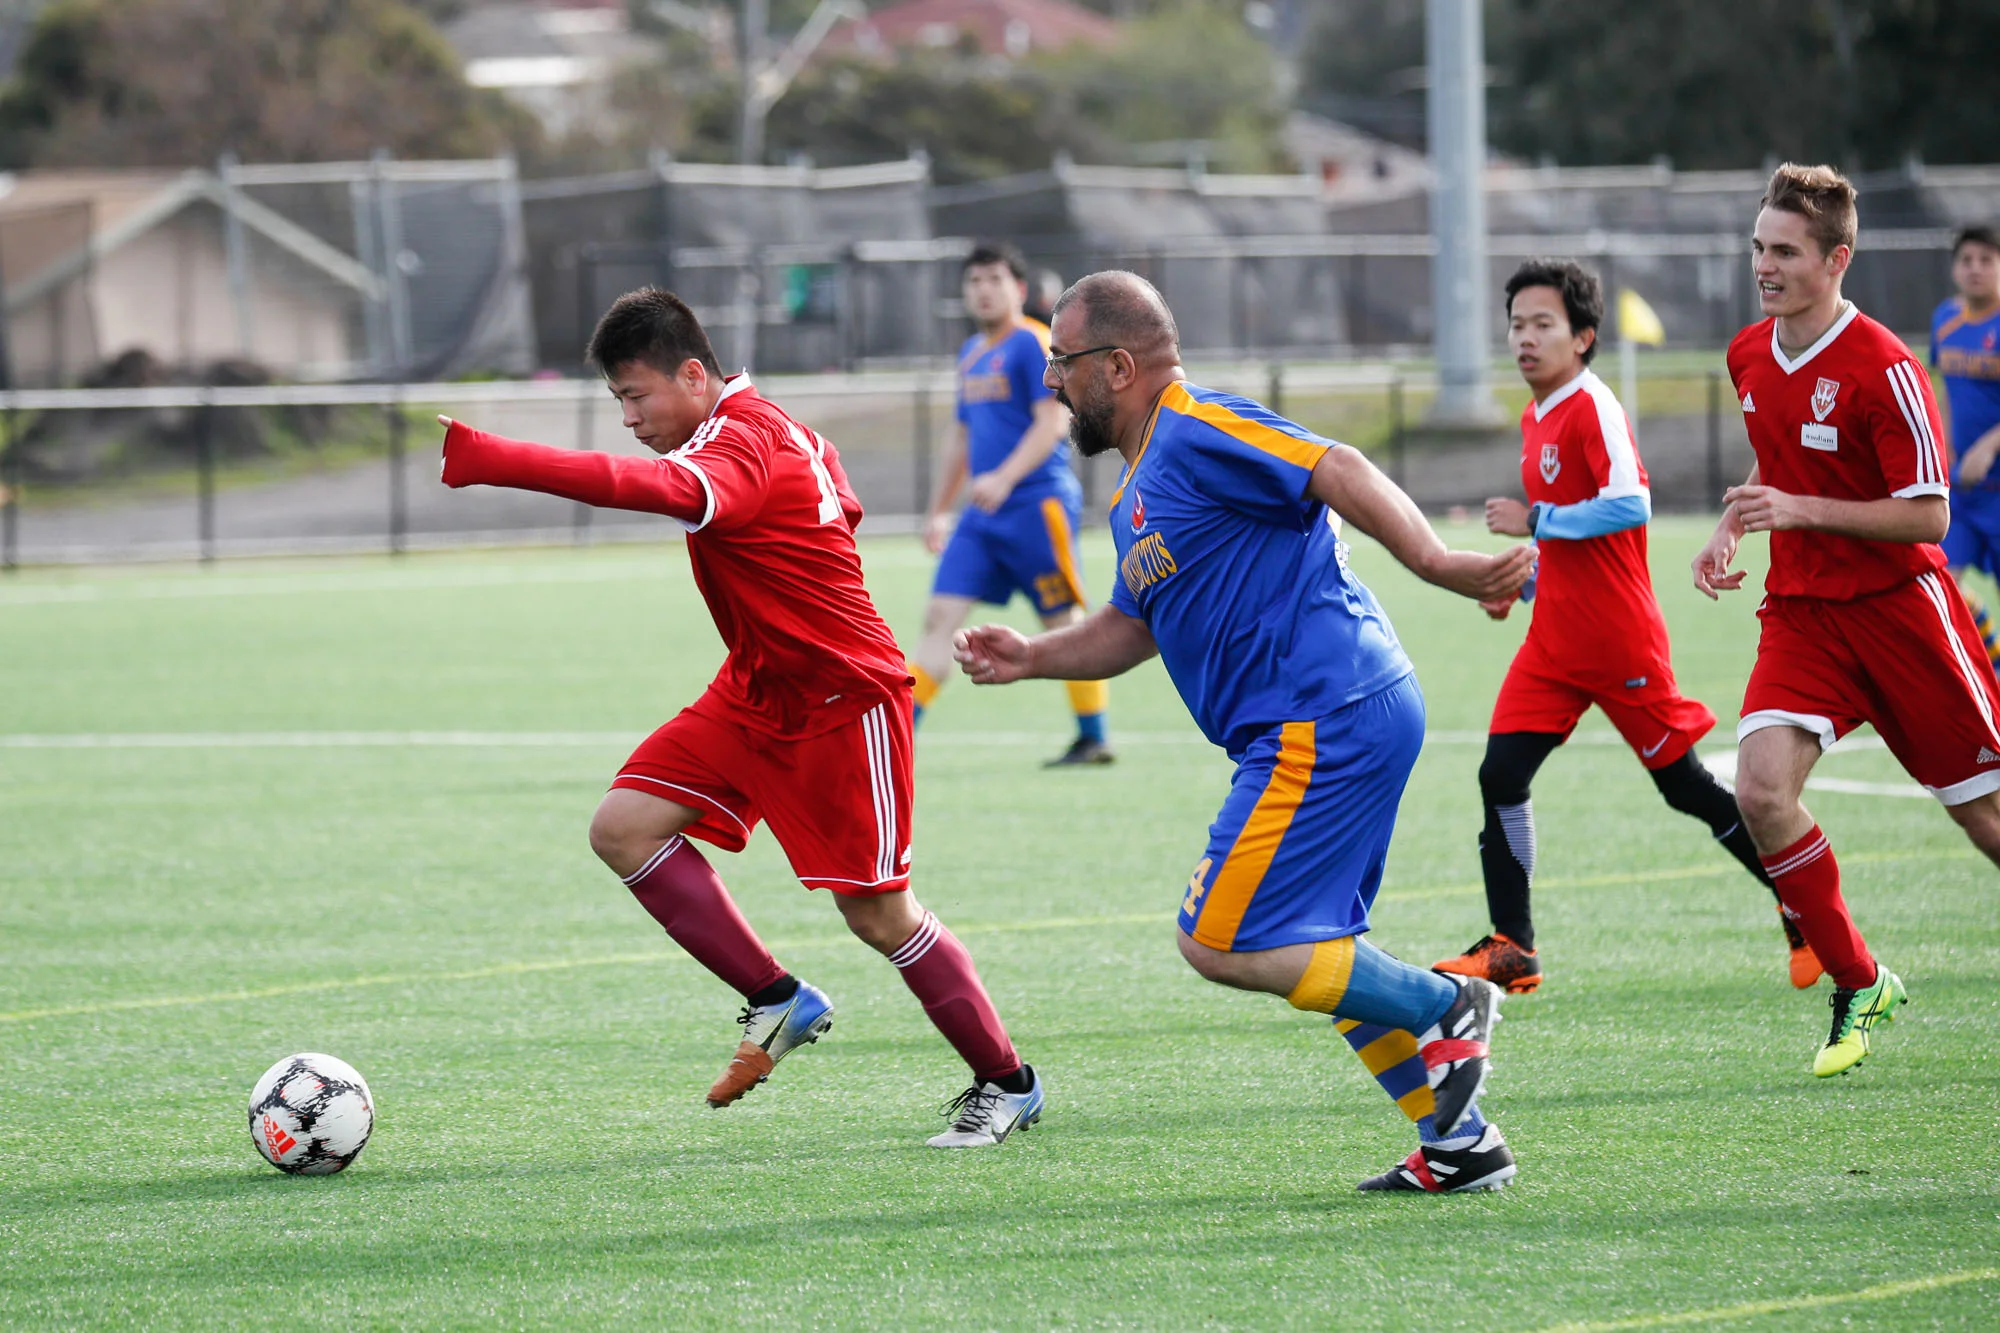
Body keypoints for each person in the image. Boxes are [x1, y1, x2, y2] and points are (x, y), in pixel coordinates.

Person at [953, 271, 1536, 1193]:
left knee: (1218, 936)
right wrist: (1032, 655)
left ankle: (1447, 1002)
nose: (1050, 381)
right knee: (1320, 946)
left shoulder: (1195, 424)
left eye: (1061, 363)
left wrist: (1435, 561)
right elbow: (1132, 627)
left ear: (1118, 364)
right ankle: (1459, 1142)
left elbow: (1335, 465)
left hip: (1324, 711)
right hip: (1326, 717)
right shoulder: (1136, 491)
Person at [437, 287, 1042, 1146]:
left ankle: (1007, 1082)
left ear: (694, 374)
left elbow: (645, 488)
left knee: (879, 916)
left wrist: (491, 457)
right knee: (624, 826)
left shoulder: (744, 443)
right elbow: (840, 498)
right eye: (616, 400)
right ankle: (776, 998)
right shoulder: (770, 429)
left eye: (636, 396)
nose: (628, 418)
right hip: (757, 689)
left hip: (843, 701)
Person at [1693, 163, 2000, 1078]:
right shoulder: (1748, 353)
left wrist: (1800, 509)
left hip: (1904, 615)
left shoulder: (1889, 368)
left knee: (1985, 819)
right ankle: (1861, 979)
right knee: (1760, 793)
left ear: (1838, 258)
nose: (1765, 265)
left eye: (1784, 251)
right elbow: (1775, 461)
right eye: (1758, 247)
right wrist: (1732, 522)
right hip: (1803, 616)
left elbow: (1930, 516)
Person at [1433, 259, 1815, 995]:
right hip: (1554, 642)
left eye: (1543, 324)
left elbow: (1629, 504)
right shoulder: (1536, 414)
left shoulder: (1591, 405)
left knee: (1686, 787)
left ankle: (1802, 905)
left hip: (1617, 641)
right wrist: (1523, 583)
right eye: (1516, 324)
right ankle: (1514, 949)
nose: (1525, 338)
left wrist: (1535, 519)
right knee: (1500, 774)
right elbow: (1576, 542)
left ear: (1582, 338)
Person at [910, 242, 1112, 766]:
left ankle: (1093, 737)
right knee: (939, 616)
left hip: (1035, 506)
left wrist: (1003, 477)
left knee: (1061, 619)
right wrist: (938, 508)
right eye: (974, 281)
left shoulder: (1033, 344)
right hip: (982, 515)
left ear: (1018, 290)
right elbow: (960, 436)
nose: (982, 290)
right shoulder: (970, 353)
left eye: (994, 280)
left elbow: (1053, 421)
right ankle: (897, 742)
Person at [1931, 225, 2000, 672]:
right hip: (1961, 493)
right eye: (1966, 260)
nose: (1974, 269)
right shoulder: (1945, 320)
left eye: (1986, 260)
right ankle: (1993, 668)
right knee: (1940, 589)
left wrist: (1990, 446)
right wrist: (1942, 447)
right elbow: (1943, 389)